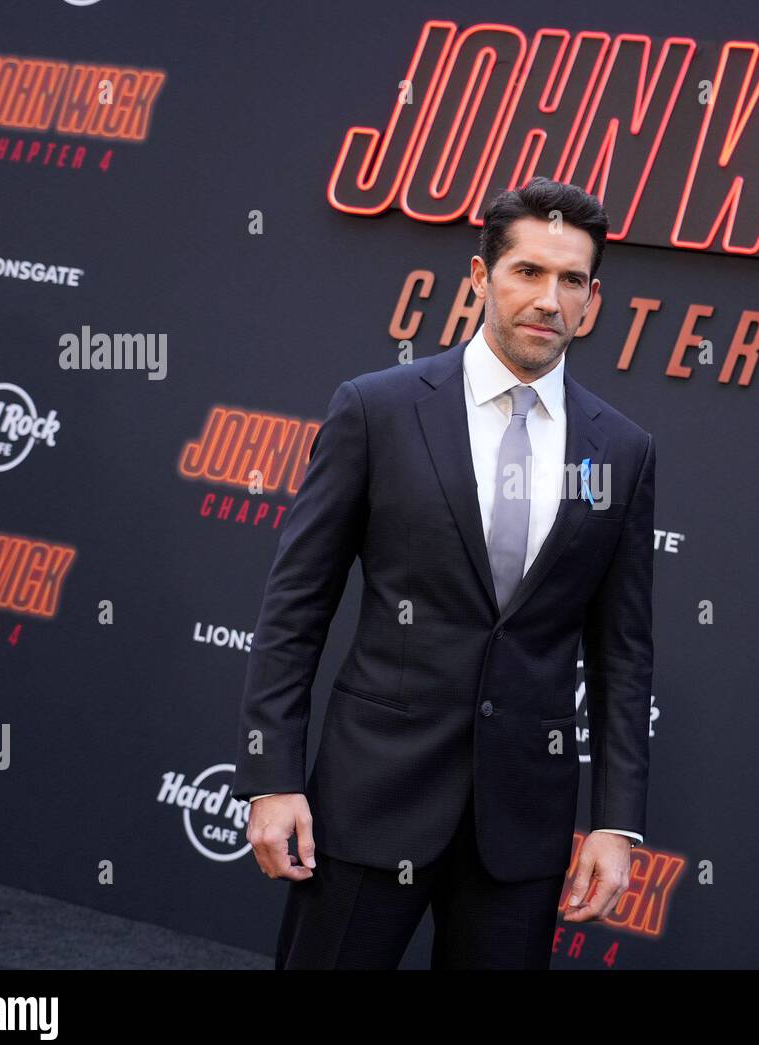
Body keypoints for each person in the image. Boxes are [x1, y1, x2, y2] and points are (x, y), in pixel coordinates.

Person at [231, 177, 655, 969]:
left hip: (521, 825)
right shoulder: (377, 410)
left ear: (593, 301)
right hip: (368, 802)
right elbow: (295, 608)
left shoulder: (621, 449)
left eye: (571, 280)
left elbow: (624, 653)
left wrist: (614, 821)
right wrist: (270, 778)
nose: (548, 299)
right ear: (479, 278)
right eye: (527, 271)